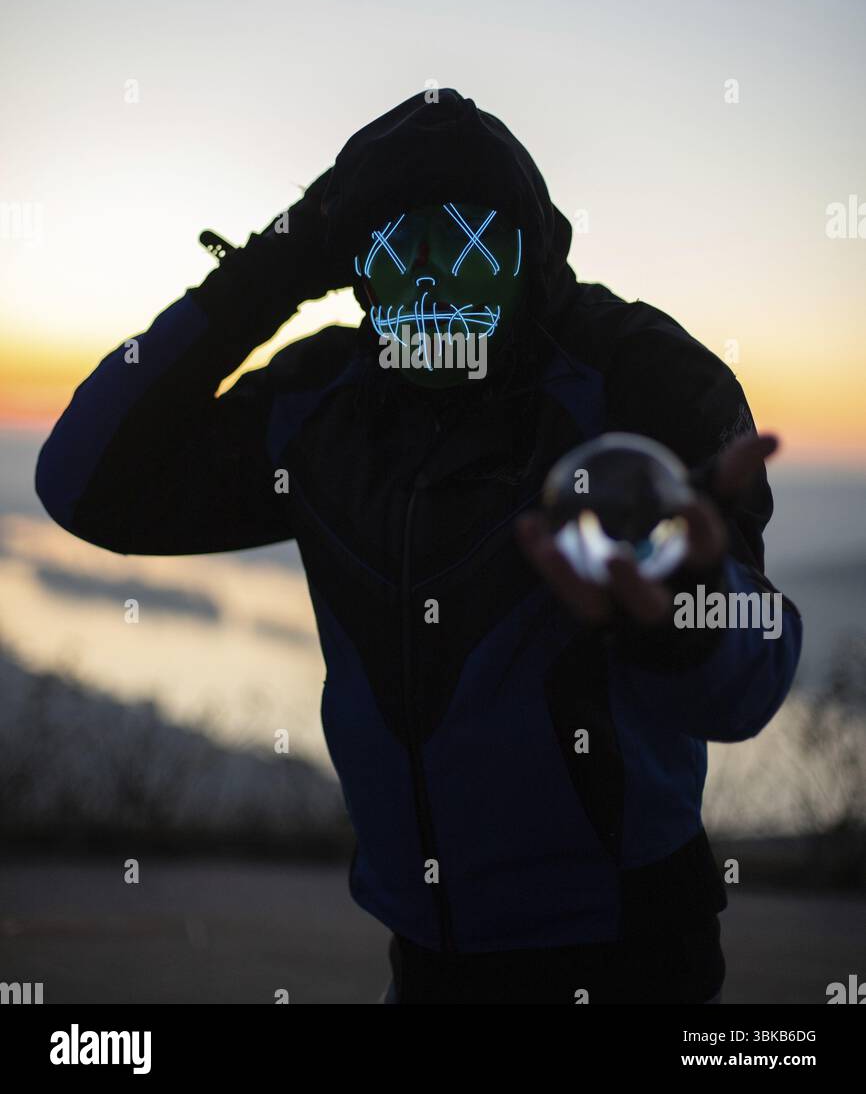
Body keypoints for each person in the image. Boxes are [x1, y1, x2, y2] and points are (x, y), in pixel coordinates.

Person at [35, 89, 802, 1005]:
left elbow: (750, 678)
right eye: (397, 249)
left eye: (468, 243)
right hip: (424, 957)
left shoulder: (636, 374)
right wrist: (270, 269)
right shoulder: (327, 405)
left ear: (530, 250)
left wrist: (684, 612)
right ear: (352, 268)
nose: (431, 280)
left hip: (631, 955)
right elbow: (85, 483)